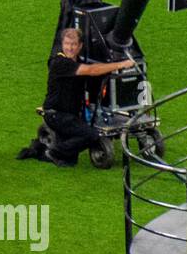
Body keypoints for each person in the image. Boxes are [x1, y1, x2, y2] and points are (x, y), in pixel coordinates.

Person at [38, 27, 134, 166]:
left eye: (73, 44)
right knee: (91, 135)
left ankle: (58, 151)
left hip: (70, 114)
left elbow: (94, 70)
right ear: (62, 44)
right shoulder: (59, 62)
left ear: (80, 46)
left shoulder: (79, 61)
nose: (69, 48)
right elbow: (92, 70)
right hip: (57, 115)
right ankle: (54, 151)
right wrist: (121, 64)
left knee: (69, 162)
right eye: (66, 44)